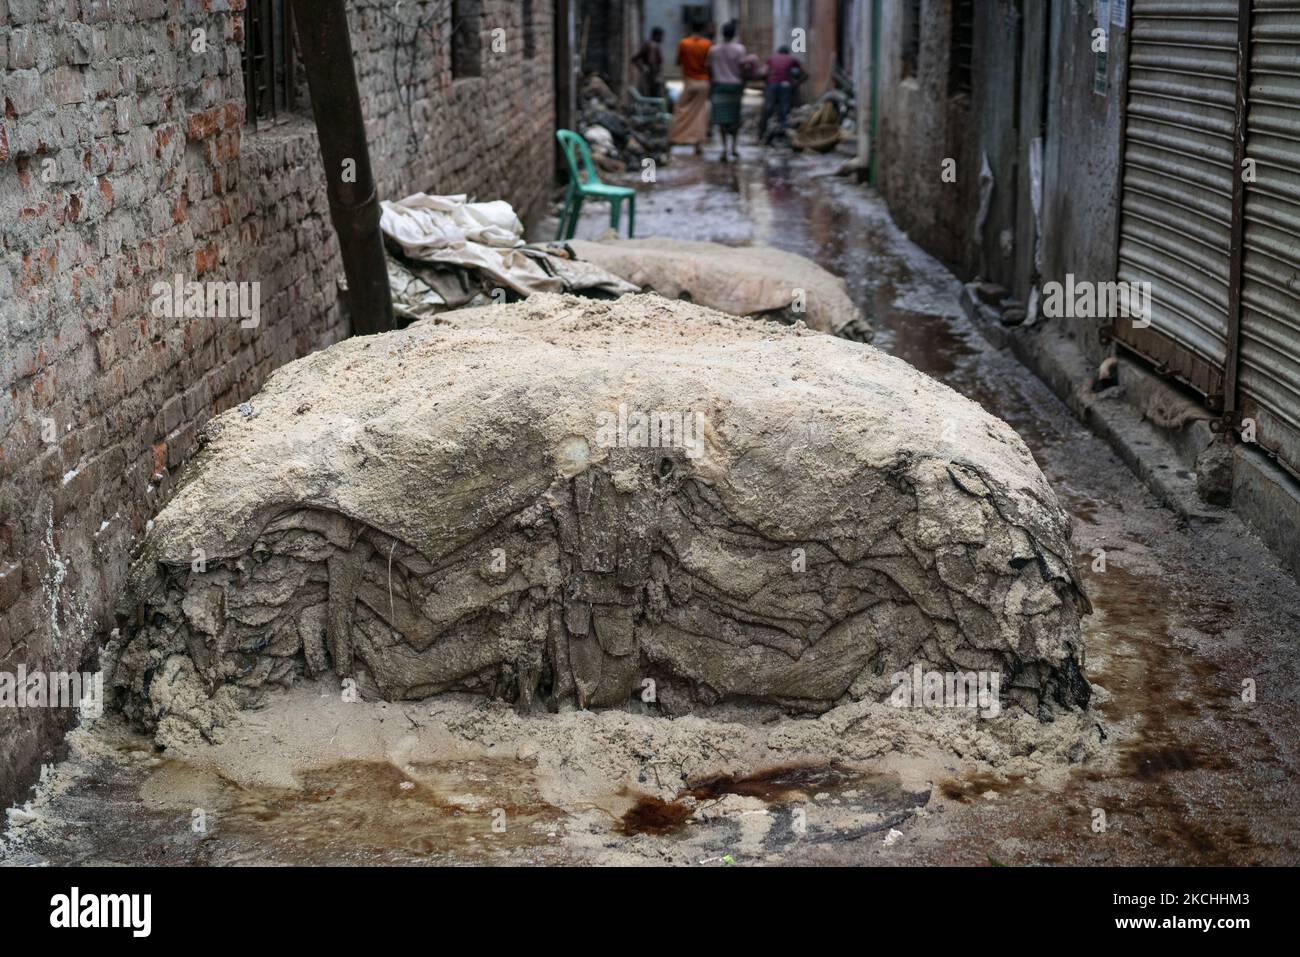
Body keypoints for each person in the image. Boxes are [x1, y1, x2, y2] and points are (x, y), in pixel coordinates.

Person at [668, 20, 712, 155]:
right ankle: (698, 144)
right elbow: (709, 64)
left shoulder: (684, 43)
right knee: (701, 112)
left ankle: (674, 138)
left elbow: (678, 61)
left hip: (690, 81)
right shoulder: (707, 44)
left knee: (680, 110)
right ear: (703, 30)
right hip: (704, 82)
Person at [707, 21, 748, 162]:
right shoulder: (740, 49)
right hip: (735, 86)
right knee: (735, 118)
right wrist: (744, 84)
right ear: (734, 34)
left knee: (722, 120)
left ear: (722, 33)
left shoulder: (713, 50)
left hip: (719, 86)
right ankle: (734, 148)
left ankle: (724, 148)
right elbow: (743, 68)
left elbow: (709, 69)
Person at [759, 45, 805, 144]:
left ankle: (762, 132)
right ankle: (783, 131)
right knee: (784, 108)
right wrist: (796, 84)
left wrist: (767, 83)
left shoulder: (772, 58)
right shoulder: (792, 59)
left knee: (768, 108)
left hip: (772, 84)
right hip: (785, 84)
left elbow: (764, 72)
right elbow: (803, 72)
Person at [632, 27, 665, 99]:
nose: (662, 39)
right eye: (661, 36)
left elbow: (634, 59)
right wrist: (656, 76)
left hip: (648, 76)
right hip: (652, 76)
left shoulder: (647, 44)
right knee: (653, 96)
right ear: (656, 36)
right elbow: (652, 62)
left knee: (648, 95)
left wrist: (642, 68)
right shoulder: (654, 45)